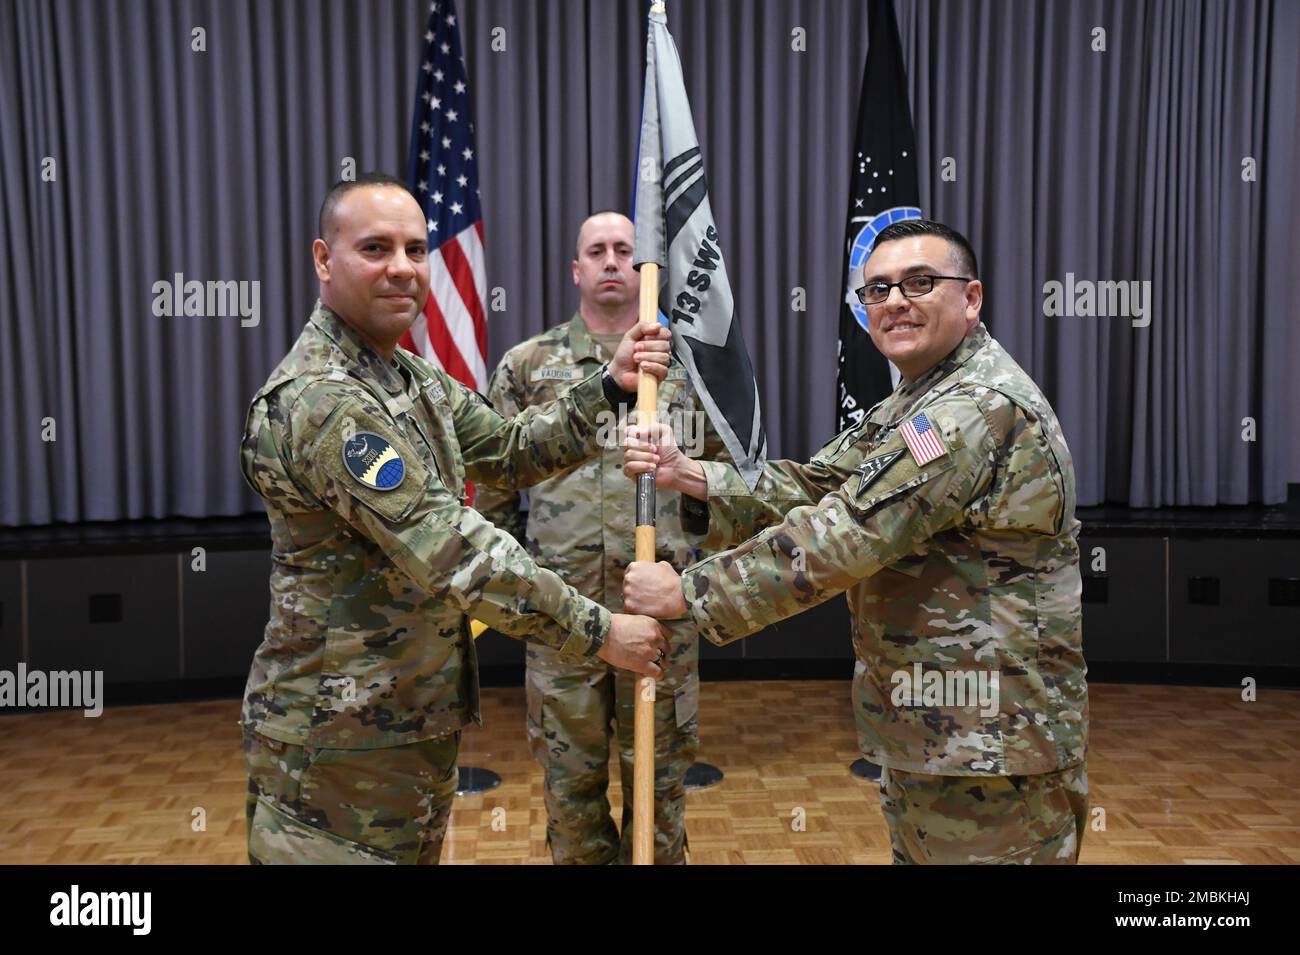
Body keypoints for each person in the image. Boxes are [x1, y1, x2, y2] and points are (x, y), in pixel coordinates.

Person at [623, 219, 1089, 864]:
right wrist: (692, 475)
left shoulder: (975, 407)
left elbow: (846, 535)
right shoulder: (916, 400)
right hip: (940, 730)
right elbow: (821, 486)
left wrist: (688, 592)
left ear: (971, 297)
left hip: (993, 745)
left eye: (920, 283)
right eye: (877, 290)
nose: (895, 301)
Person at [239, 173, 673, 865]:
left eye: (416, 249)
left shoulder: (409, 377)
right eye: (376, 248)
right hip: (337, 742)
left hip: (406, 722)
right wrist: (599, 630)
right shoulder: (326, 399)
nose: (402, 268)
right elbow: (453, 548)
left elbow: (508, 449)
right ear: (324, 259)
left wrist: (607, 385)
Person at [477, 211, 726, 864]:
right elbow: (495, 489)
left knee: (660, 786)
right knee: (571, 788)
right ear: (577, 269)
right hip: (564, 621)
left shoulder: (689, 367)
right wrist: (519, 595)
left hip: (661, 616)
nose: (614, 259)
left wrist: (696, 577)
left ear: (645, 270)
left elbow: (722, 480)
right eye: (598, 250)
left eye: (625, 249)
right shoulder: (527, 365)